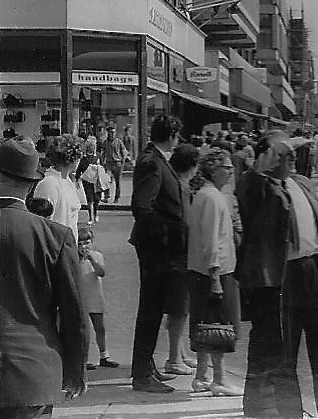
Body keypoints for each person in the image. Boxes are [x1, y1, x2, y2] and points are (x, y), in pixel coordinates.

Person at [236, 132, 318, 419]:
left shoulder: (303, 184)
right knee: (284, 364)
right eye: (283, 153)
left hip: (317, 273)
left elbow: (317, 228)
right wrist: (262, 163)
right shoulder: (257, 189)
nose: (292, 158)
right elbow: (246, 188)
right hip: (282, 280)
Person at [0, 136, 89, 418]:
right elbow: (74, 312)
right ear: (31, 185)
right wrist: (76, 369)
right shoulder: (54, 236)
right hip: (32, 372)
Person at [128, 114, 185, 393]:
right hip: (157, 249)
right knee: (151, 308)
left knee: (154, 306)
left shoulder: (156, 159)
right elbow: (143, 206)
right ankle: (141, 373)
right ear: (172, 135)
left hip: (159, 248)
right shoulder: (152, 162)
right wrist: (166, 233)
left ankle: (147, 365)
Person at [187, 147, 242, 396]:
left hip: (203, 271)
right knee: (219, 327)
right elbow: (211, 240)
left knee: (204, 325)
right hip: (216, 271)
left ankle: (201, 375)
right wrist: (215, 276)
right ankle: (219, 378)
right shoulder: (211, 198)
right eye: (226, 167)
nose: (230, 172)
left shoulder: (206, 195)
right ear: (213, 169)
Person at [161, 143, 202, 377]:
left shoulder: (176, 184)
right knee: (179, 307)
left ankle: (180, 351)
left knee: (180, 307)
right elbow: (186, 223)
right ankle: (174, 358)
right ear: (193, 166)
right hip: (180, 254)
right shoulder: (182, 188)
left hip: (173, 253)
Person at [77, 228, 119, 370]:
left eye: (86, 243)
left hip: (95, 296)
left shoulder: (97, 255)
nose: (83, 247)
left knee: (100, 327)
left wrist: (91, 259)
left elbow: (101, 272)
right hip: (81, 297)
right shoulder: (73, 259)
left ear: (92, 242)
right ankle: (83, 358)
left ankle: (104, 355)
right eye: (80, 244)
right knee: (83, 329)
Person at [33, 134, 84, 240]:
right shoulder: (49, 184)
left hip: (67, 246)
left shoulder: (66, 180)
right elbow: (42, 225)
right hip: (56, 246)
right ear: (73, 159)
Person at [75, 137, 101, 225]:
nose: (93, 147)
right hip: (87, 181)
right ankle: (90, 217)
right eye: (91, 146)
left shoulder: (98, 156)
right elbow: (79, 169)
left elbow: (102, 168)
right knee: (89, 199)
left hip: (96, 181)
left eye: (94, 145)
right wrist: (77, 179)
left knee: (96, 199)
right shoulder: (84, 158)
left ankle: (96, 214)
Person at [103, 125, 127, 204]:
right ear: (108, 133)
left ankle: (116, 197)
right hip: (109, 163)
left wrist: (122, 162)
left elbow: (124, 152)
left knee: (118, 182)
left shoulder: (119, 141)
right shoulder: (105, 142)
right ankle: (106, 196)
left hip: (117, 164)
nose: (113, 134)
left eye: (114, 132)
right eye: (111, 132)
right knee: (105, 179)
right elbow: (103, 153)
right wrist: (103, 162)